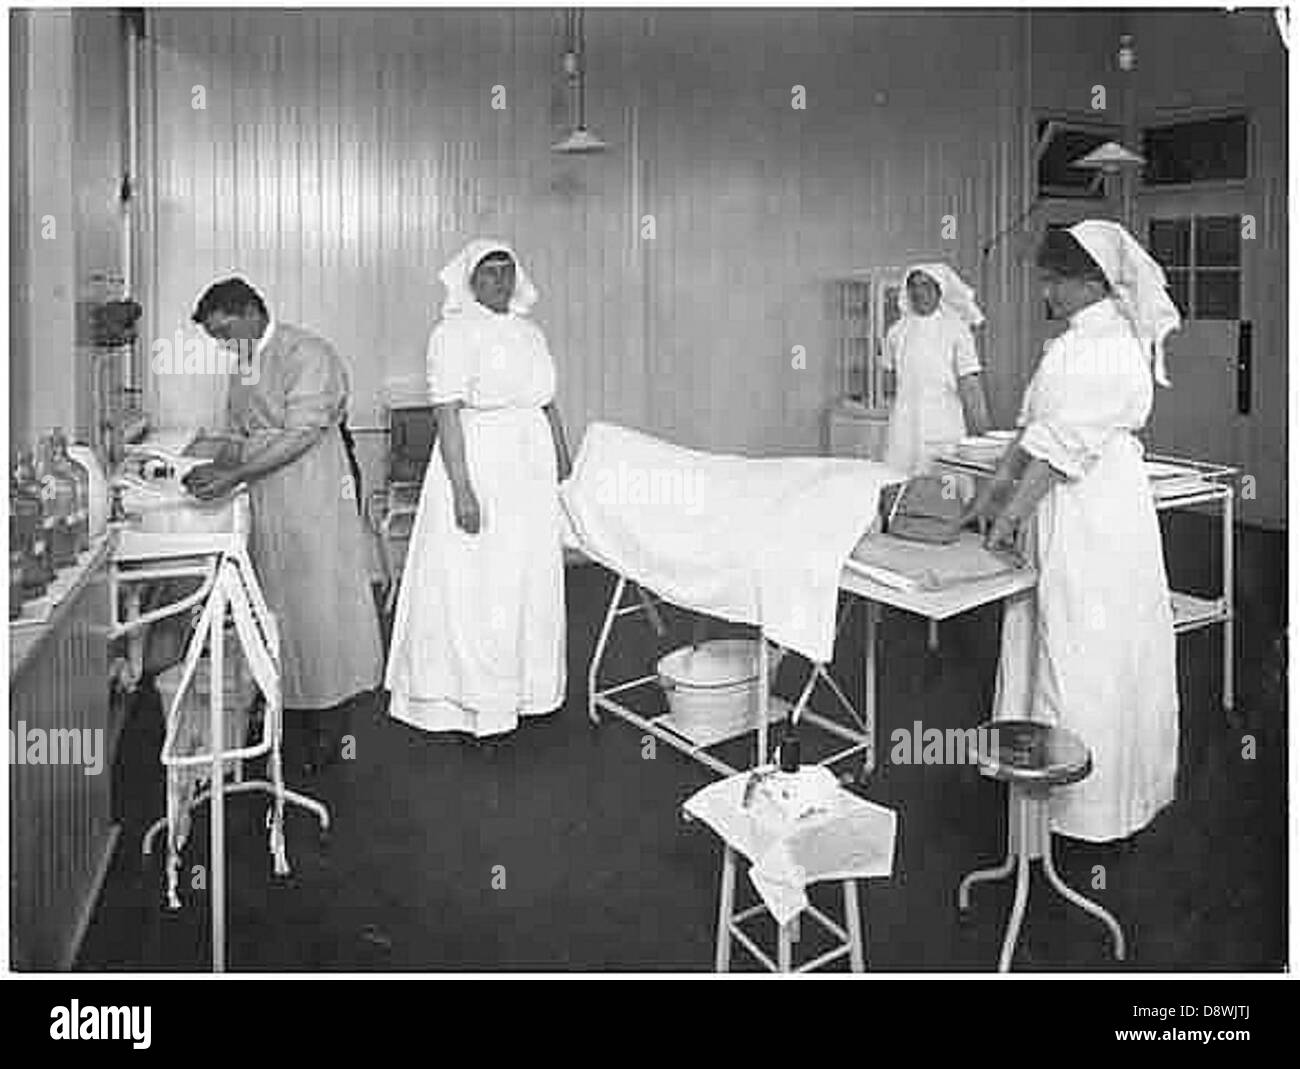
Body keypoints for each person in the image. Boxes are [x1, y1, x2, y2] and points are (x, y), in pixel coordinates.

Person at [966, 220, 1181, 842]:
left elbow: (1063, 451)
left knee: (1085, 640)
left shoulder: (1111, 346)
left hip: (1096, 509)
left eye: (1055, 281)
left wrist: (1008, 516)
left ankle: (1091, 804)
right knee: (1044, 625)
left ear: (1092, 283)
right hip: (1061, 501)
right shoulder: (1069, 342)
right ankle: (1033, 774)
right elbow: (1034, 431)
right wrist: (990, 493)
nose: (1047, 291)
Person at [183, 277, 383, 775]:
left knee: (320, 608)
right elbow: (238, 432)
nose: (226, 346)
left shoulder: (306, 354)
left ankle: (329, 722)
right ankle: (287, 705)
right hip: (270, 498)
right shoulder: (244, 366)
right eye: (217, 340)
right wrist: (208, 461)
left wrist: (235, 471)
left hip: (316, 489)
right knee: (274, 603)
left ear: (253, 311)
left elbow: (299, 437)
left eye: (228, 332)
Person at [385, 240, 571, 739]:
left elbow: (548, 404)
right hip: (479, 460)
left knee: (526, 574)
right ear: (470, 282)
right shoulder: (452, 333)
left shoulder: (531, 332)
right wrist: (462, 490)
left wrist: (563, 465)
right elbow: (446, 413)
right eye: (488, 274)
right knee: (478, 578)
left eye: (507, 272)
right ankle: (468, 700)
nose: (500, 282)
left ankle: (528, 690)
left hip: (530, 466)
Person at [882, 263, 992, 475]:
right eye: (913, 286)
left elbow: (970, 386)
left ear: (938, 290)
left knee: (944, 489)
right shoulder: (896, 332)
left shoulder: (957, 330)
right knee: (897, 484)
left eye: (925, 285)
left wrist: (983, 435)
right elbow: (889, 382)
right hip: (903, 427)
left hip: (944, 425)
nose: (918, 292)